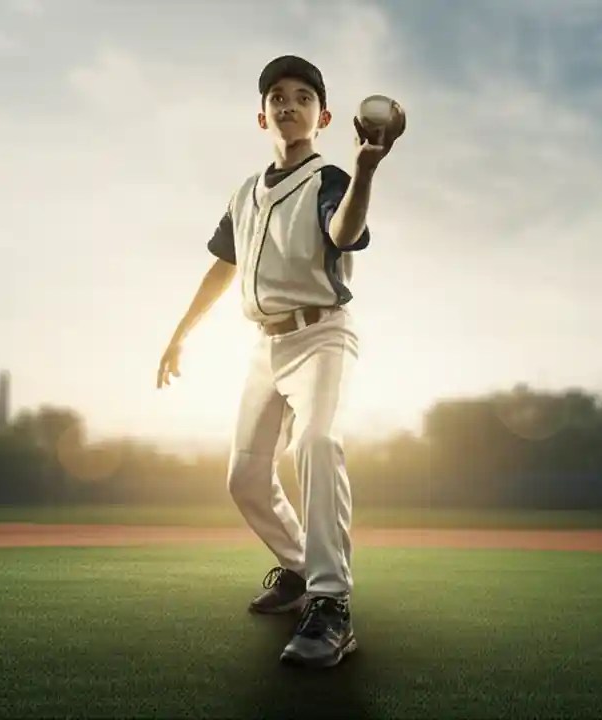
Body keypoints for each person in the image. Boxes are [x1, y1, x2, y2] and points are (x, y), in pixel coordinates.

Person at [156, 54, 397, 668]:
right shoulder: (245, 192)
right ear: (261, 114)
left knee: (315, 442)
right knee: (242, 476)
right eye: (277, 96)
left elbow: (343, 233)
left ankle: (332, 604)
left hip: (321, 336)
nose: (288, 104)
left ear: (324, 114)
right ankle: (296, 566)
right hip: (265, 344)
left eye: (302, 96)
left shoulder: (332, 179)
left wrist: (366, 171)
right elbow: (223, 264)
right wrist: (181, 333)